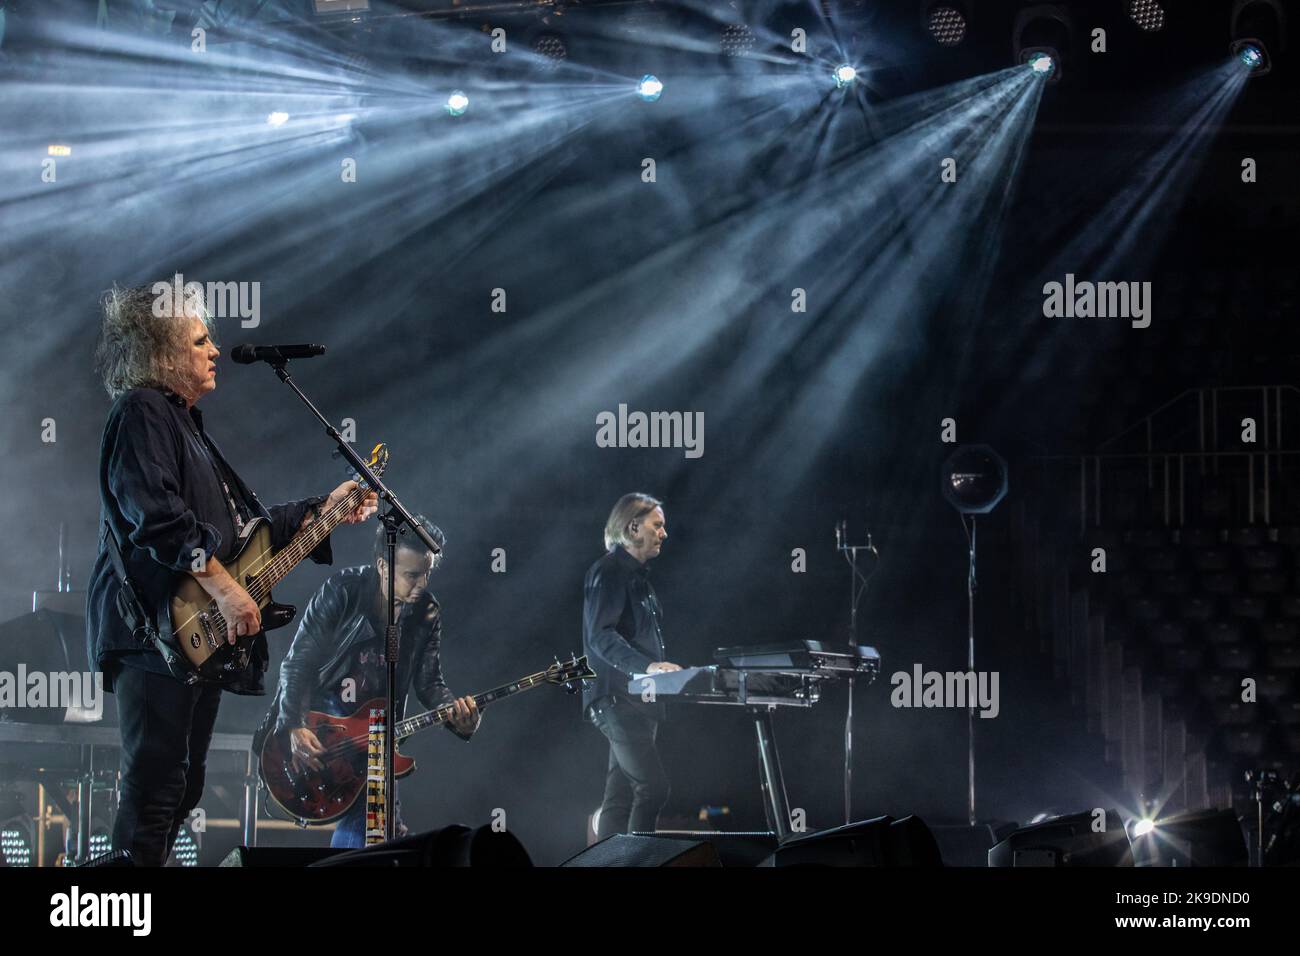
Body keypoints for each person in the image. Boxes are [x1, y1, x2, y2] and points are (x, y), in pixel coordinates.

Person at [85, 283, 377, 866]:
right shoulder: (142, 411)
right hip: (155, 634)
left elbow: (248, 533)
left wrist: (326, 510)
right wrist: (225, 588)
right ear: (163, 355)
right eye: (199, 339)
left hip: (195, 641)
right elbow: (158, 520)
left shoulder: (185, 424)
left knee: (183, 785)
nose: (215, 349)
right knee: (155, 787)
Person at [268, 517, 481, 848]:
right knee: (378, 834)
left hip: (376, 737)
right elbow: (299, 662)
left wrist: (457, 715)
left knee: (381, 836)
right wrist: (294, 725)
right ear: (383, 565)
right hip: (322, 724)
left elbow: (429, 683)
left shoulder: (426, 612)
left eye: (427, 574)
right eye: (411, 575)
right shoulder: (343, 592)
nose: (421, 584)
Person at [582, 493, 683, 840]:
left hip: (638, 700)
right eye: (658, 525)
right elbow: (601, 636)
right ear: (633, 526)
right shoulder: (608, 571)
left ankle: (607, 863)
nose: (664, 534)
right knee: (654, 788)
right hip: (616, 697)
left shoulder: (640, 580)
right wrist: (649, 666)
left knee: (620, 798)